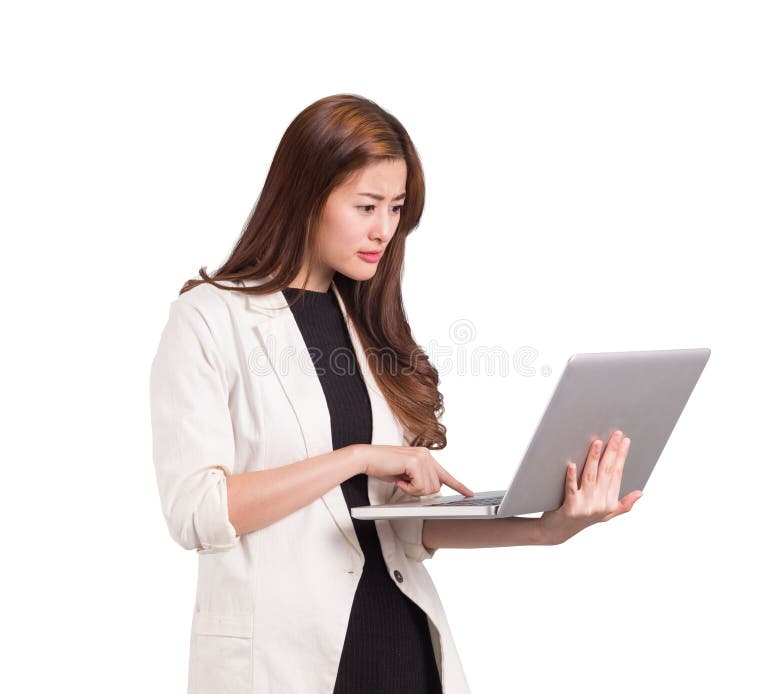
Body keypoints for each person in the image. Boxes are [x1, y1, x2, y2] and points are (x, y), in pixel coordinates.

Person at [149, 93, 643, 694]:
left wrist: (548, 526)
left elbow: (403, 529)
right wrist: (356, 458)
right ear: (306, 196)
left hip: (401, 652)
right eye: (366, 206)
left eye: (397, 208)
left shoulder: (368, 325)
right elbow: (198, 511)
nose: (384, 229)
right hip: (284, 664)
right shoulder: (209, 319)